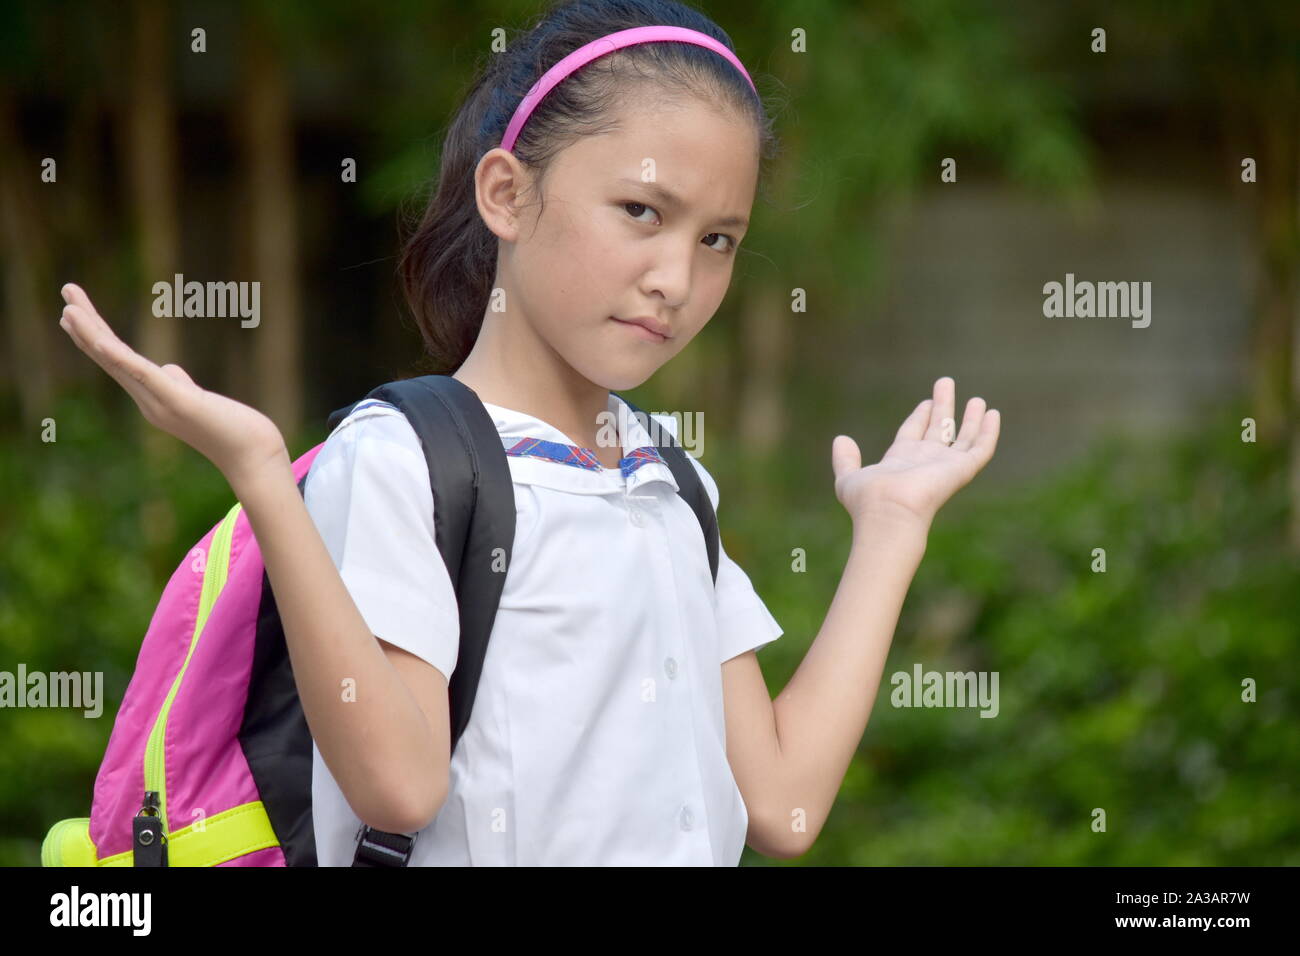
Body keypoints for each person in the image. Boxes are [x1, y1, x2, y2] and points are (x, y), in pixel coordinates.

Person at [56, 0, 1000, 866]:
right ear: (505, 194)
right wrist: (263, 476)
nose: (678, 277)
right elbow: (397, 786)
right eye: (642, 212)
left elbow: (784, 810)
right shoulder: (400, 460)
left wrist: (891, 530)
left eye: (718, 239)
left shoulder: (670, 482)